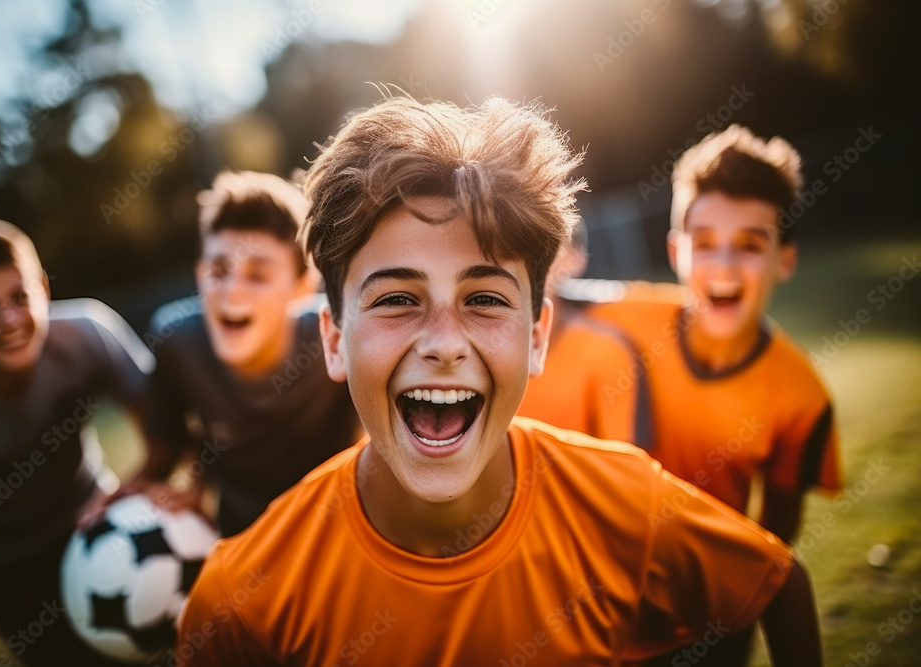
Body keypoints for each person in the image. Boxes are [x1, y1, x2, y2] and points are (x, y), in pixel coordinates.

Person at [174, 96, 823, 666]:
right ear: (334, 338)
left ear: (536, 334)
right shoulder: (240, 595)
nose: (444, 343)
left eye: (484, 299)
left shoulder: (623, 502)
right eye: (397, 298)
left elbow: (778, 579)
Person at [587, 125, 842, 544]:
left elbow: (774, 541)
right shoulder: (618, 319)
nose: (724, 265)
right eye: (704, 243)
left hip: (705, 596)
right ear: (675, 253)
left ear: (786, 260)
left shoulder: (802, 395)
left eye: (749, 245)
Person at [0, 219, 153, 666]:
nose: (9, 320)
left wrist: (140, 489)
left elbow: (162, 425)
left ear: (44, 288)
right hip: (4, 570)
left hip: (94, 524)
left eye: (19, 296)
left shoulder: (90, 334)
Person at [115, 171, 360, 537]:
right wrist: (134, 491)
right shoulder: (177, 341)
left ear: (301, 287)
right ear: (199, 274)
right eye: (219, 270)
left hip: (337, 536)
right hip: (239, 544)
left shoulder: (341, 334)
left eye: (257, 275)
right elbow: (166, 449)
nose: (232, 290)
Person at [517, 220, 652, 446]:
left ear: (575, 258)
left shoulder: (606, 351)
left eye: (541, 241)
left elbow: (623, 466)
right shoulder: (467, 349)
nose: (522, 255)